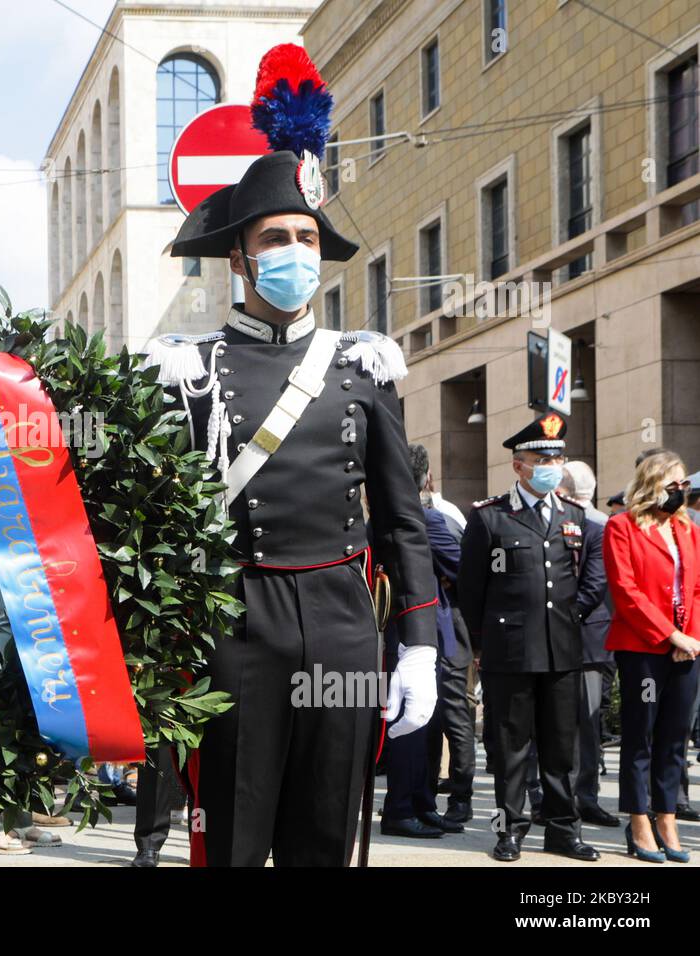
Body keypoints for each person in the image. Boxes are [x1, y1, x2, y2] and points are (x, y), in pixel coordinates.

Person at [148, 44, 439, 866]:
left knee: (325, 831)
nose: (295, 254)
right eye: (276, 237)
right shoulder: (190, 369)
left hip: (345, 625)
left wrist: (419, 639)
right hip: (238, 628)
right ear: (238, 255)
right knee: (233, 831)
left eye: (307, 238)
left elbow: (402, 517)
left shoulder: (363, 364)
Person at [457, 413, 604, 862]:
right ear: (519, 465)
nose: (551, 466)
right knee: (510, 748)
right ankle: (509, 830)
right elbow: (471, 590)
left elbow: (592, 583)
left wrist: (566, 618)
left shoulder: (575, 517)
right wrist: (484, 645)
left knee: (563, 748)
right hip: (510, 652)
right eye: (542, 458)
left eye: (556, 458)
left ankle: (563, 830)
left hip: (562, 650)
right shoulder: (490, 518)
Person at [602, 449, 700, 863]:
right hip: (642, 648)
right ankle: (638, 818)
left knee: (675, 737)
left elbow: (695, 590)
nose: (681, 493)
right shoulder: (620, 527)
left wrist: (690, 637)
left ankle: (667, 816)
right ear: (651, 485)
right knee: (641, 734)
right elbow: (626, 593)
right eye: (673, 485)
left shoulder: (689, 530)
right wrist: (671, 635)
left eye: (685, 486)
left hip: (686, 650)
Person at [380, 444, 466, 838]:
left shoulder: (382, 516)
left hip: (402, 633)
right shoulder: (424, 519)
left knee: (421, 726)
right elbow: (463, 569)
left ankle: (420, 802)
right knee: (413, 727)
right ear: (427, 478)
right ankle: (401, 807)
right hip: (417, 636)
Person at [558, 461, 619, 828]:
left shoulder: (600, 526)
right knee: (586, 723)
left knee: (573, 723)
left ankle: (569, 797)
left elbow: (598, 586)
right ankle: (583, 797)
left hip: (585, 634)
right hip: (589, 636)